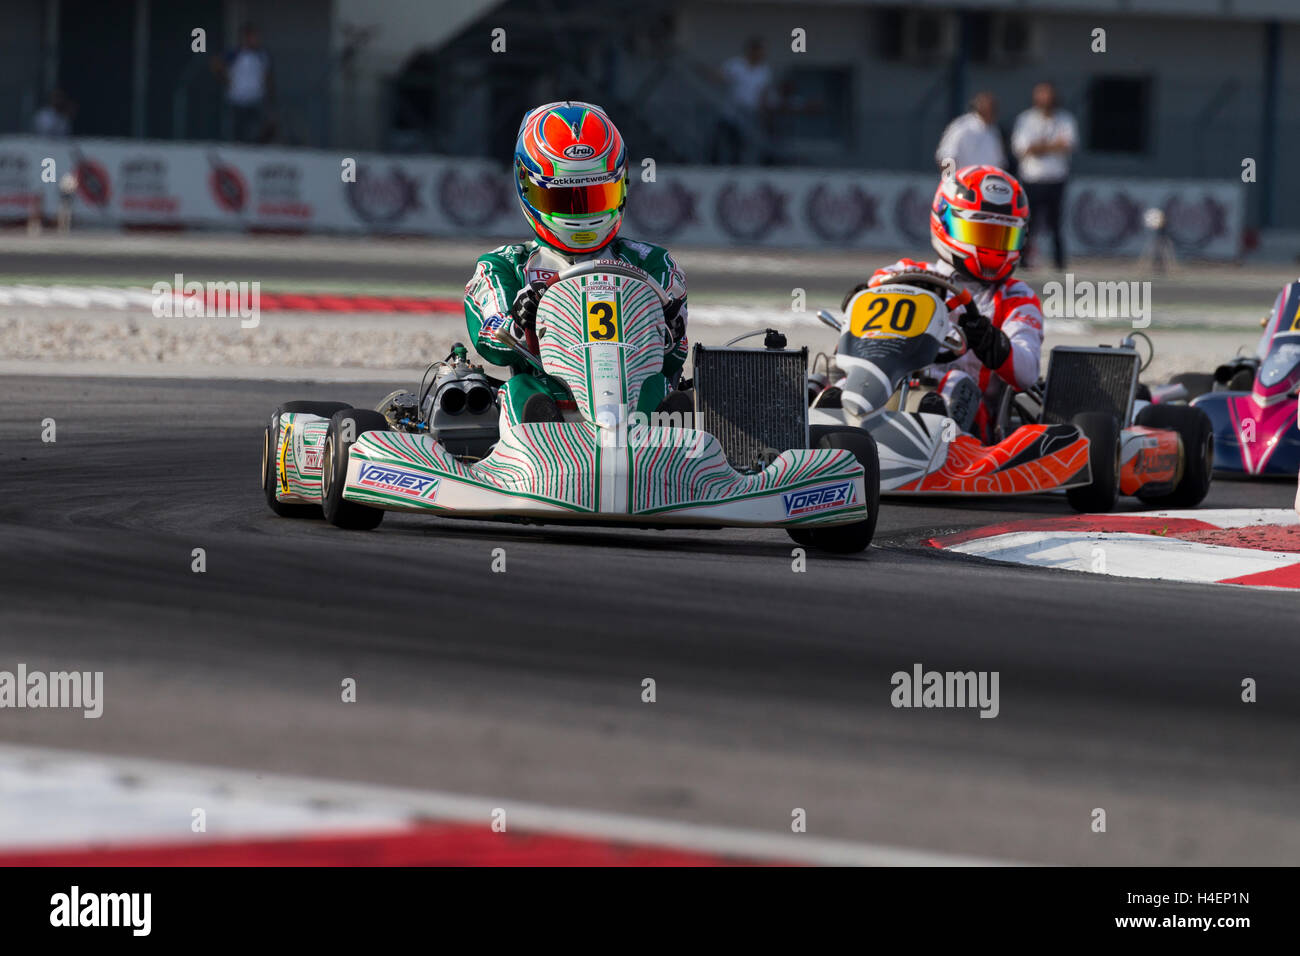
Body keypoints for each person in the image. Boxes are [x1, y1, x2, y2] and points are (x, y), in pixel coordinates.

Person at [463, 101, 688, 424]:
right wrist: (519, 320)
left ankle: (667, 453)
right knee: (520, 388)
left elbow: (673, 357)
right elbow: (491, 341)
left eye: (596, 198)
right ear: (528, 188)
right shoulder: (504, 266)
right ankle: (537, 453)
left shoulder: (654, 263)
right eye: (564, 201)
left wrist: (669, 326)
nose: (582, 214)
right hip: (548, 401)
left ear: (621, 187)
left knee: (659, 386)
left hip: (633, 406)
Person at [866, 165, 1042, 441]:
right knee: (847, 382)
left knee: (954, 385)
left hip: (973, 428)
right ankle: (825, 429)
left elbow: (1027, 373)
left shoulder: (1016, 297)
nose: (992, 248)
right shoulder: (898, 274)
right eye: (981, 234)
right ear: (944, 222)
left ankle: (934, 440)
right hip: (890, 395)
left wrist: (990, 341)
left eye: (1002, 237)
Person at [1011, 81, 1076, 270]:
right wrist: (1052, 146)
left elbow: (1068, 144)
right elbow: (1022, 148)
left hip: (1056, 178)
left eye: (1049, 95)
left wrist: (1039, 147)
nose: (1046, 99)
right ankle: (1023, 261)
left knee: (1056, 223)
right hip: (1032, 178)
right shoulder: (1026, 119)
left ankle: (1059, 262)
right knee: (1028, 222)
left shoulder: (1065, 119)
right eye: (1042, 95)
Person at [712, 37, 773, 164]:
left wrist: (763, 113)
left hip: (750, 112)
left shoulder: (764, 70)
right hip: (732, 111)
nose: (761, 54)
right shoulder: (735, 64)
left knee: (745, 142)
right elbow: (719, 77)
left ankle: (739, 165)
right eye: (759, 51)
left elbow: (763, 93)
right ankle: (719, 163)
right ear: (751, 51)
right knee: (725, 139)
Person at [213, 22, 274, 143]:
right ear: (245, 37)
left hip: (256, 98)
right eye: (253, 36)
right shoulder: (235, 53)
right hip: (238, 98)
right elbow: (216, 63)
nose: (256, 39)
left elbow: (267, 74)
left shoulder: (262, 55)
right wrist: (225, 79)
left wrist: (268, 91)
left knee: (261, 127)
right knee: (237, 131)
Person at [935, 92, 1005, 171]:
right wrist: (950, 180)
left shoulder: (993, 131)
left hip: (987, 181)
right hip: (964, 180)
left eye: (994, 109)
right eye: (990, 108)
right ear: (980, 107)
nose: (993, 112)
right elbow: (946, 156)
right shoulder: (962, 126)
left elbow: (999, 162)